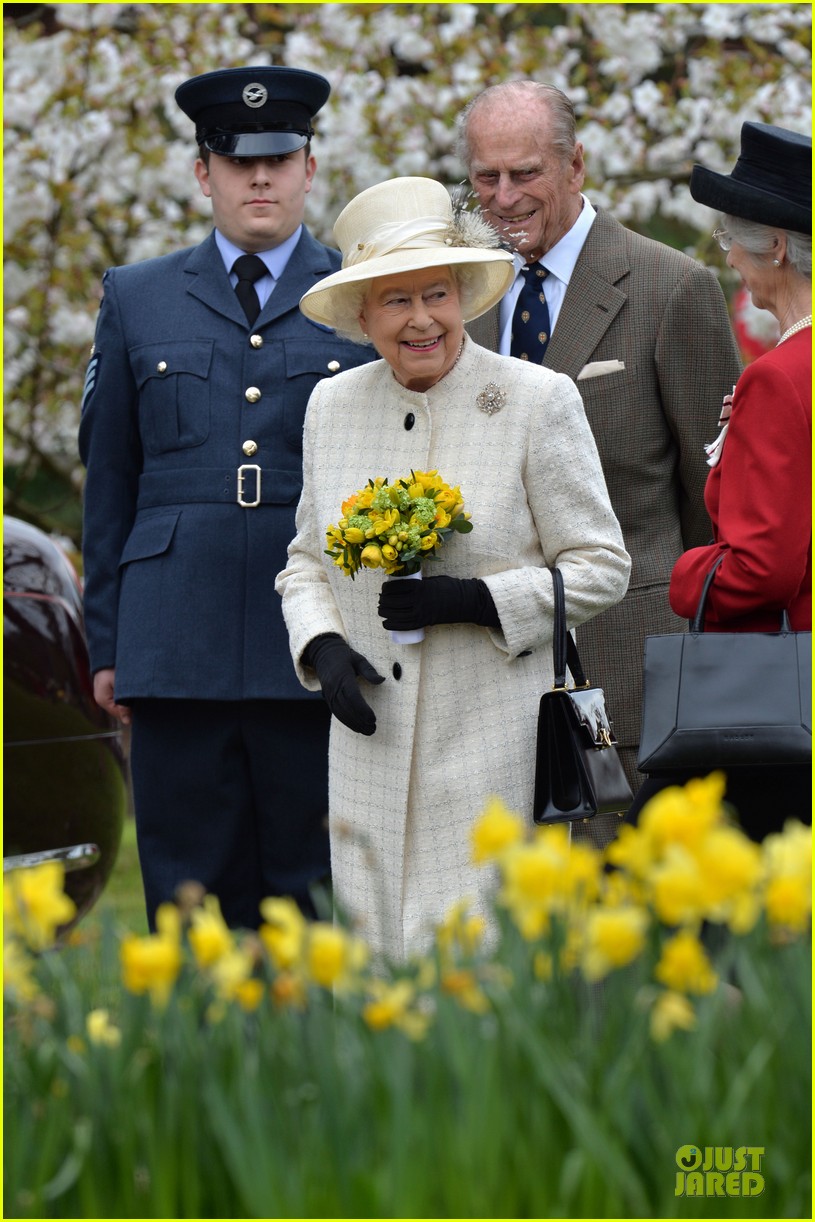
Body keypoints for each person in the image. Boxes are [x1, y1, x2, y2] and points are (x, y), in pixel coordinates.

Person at [275, 176, 631, 960]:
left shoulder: (536, 399)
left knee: (484, 985)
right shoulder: (330, 408)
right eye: (394, 301)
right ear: (362, 316)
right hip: (370, 747)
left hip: (493, 749)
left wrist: (477, 601)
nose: (420, 320)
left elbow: (603, 565)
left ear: (463, 296)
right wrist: (321, 648)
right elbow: (304, 563)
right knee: (376, 988)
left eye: (435, 294)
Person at [78, 66, 375, 930]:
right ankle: (199, 1064)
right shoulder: (135, 296)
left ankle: (307, 1066)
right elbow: (113, 479)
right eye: (237, 161)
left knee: (312, 889)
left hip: (314, 642)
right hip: (177, 639)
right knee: (187, 892)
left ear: (309, 168)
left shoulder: (353, 295)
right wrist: (108, 641)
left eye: (279, 159)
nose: (260, 178)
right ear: (203, 172)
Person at [456, 81, 744, 847]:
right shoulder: (459, 297)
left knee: (621, 928)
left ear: (575, 164)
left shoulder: (670, 288)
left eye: (525, 174)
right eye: (486, 177)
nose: (504, 197)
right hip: (488, 679)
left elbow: (715, 505)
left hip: (626, 680)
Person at [627, 120, 812, 840]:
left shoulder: (779, 378)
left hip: (772, 701)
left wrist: (682, 573)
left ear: (771, 244)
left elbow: (759, 570)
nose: (726, 255)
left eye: (730, 238)